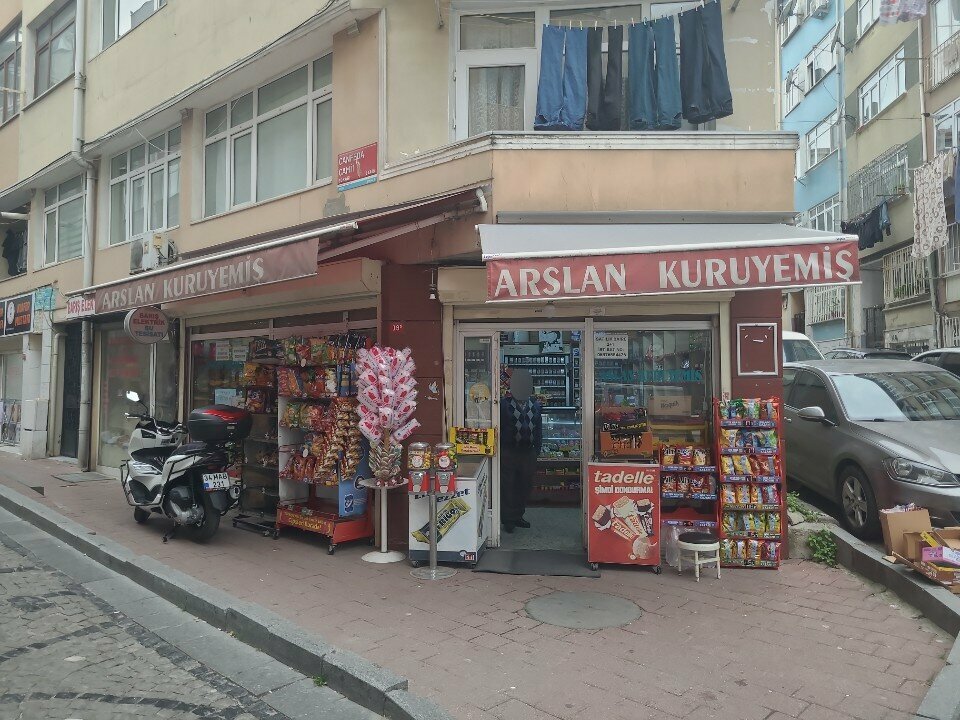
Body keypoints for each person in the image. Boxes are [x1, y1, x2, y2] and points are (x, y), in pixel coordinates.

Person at [500, 369, 542, 533]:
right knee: (508, 485)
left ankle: (518, 515)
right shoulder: (504, 404)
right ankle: (508, 519)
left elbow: (538, 429)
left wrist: (536, 450)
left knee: (524, 486)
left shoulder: (536, 405)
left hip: (528, 453)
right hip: (509, 451)